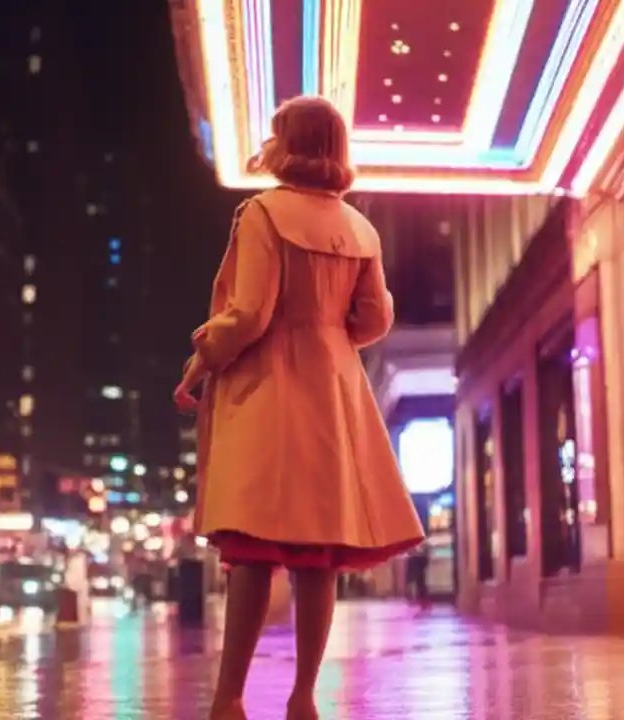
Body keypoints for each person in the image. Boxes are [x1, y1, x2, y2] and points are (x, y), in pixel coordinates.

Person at [173, 96, 424, 720]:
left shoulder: (263, 213)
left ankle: (230, 697)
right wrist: (330, 335)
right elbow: (375, 318)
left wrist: (202, 357)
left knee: (254, 551)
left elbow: (249, 313)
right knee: (319, 553)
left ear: (288, 142)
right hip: (334, 391)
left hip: (269, 396)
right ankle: (304, 695)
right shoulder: (359, 228)